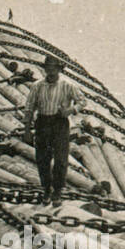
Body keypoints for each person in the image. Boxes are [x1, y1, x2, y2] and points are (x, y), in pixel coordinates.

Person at [23, 55, 82, 198]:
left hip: (59, 123)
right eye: (48, 67)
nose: (50, 70)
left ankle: (57, 189)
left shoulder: (67, 85)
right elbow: (29, 108)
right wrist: (27, 130)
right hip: (42, 122)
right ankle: (46, 188)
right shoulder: (37, 86)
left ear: (59, 69)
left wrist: (71, 110)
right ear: (45, 69)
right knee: (42, 158)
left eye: (54, 67)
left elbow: (82, 101)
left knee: (61, 158)